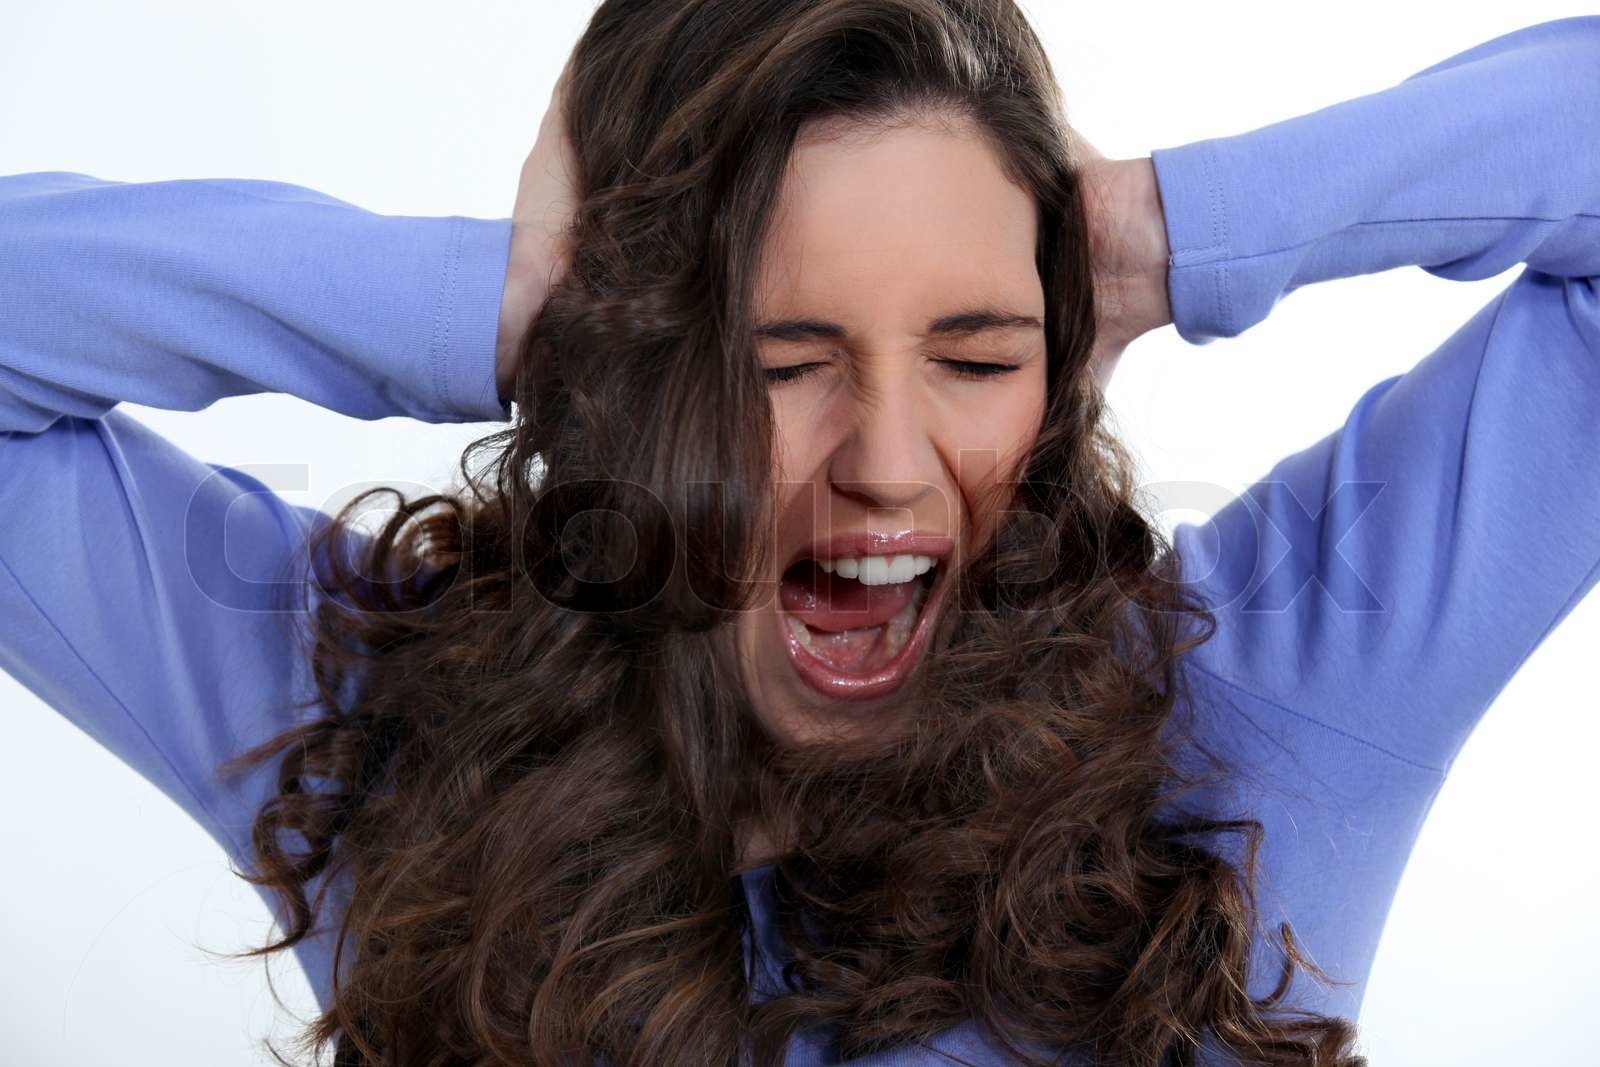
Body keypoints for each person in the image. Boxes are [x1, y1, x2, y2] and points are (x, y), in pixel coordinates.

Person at [2, 1, 1596, 1063]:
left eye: (977, 356)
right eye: (779, 364)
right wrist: (488, 310)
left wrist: (1170, 234)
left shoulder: (1263, 694)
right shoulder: (373, 716)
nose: (891, 463)